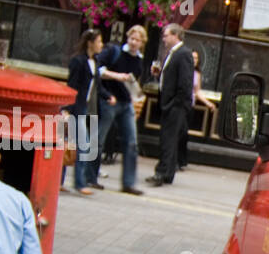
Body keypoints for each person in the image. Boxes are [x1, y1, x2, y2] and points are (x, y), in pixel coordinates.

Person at [61, 29, 132, 195]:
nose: (101, 45)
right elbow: (72, 87)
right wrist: (66, 109)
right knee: (81, 146)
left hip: (85, 108)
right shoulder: (78, 62)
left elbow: (97, 85)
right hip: (75, 108)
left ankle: (61, 181)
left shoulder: (95, 61)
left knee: (69, 145)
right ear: (90, 43)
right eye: (99, 42)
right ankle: (79, 184)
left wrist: (108, 96)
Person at [94, 24, 146, 195]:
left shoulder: (139, 60)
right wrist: (117, 76)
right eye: (132, 38)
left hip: (126, 103)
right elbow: (99, 70)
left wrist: (134, 94)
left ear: (142, 42)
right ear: (127, 38)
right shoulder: (114, 52)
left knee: (131, 142)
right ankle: (90, 177)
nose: (133, 42)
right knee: (99, 139)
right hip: (110, 100)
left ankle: (128, 183)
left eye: (137, 40)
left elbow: (133, 82)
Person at [147, 23, 194, 187]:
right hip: (168, 103)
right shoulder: (172, 54)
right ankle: (167, 173)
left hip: (175, 106)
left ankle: (161, 172)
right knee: (169, 139)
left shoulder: (184, 54)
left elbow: (185, 83)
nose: (164, 39)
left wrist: (174, 104)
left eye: (166, 35)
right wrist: (159, 75)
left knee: (167, 139)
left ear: (176, 36)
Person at [178, 49, 216, 172]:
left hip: (190, 106)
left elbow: (197, 91)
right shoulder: (182, 70)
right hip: (179, 105)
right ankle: (175, 159)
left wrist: (208, 103)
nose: (194, 60)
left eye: (196, 59)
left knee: (184, 134)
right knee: (180, 132)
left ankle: (180, 160)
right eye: (192, 58)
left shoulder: (197, 74)